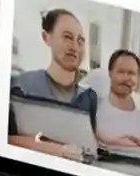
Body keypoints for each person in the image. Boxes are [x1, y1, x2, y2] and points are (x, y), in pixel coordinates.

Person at [8, 9, 98, 161]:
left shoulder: (89, 98)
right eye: (67, 37)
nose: (74, 47)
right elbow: (1, 139)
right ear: (46, 37)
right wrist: (54, 150)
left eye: (80, 41)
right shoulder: (19, 87)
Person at [95, 49, 140, 150]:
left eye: (131, 73)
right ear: (110, 73)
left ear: (138, 78)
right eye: (121, 72)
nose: (126, 78)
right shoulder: (96, 108)